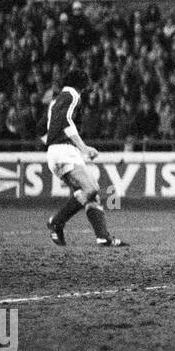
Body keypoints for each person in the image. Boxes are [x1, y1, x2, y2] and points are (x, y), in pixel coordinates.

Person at [44, 69, 128, 248]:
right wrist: (84, 148)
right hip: (65, 150)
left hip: (55, 152)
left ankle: (103, 237)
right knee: (91, 188)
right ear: (82, 84)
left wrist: (51, 145)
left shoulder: (55, 100)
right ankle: (56, 221)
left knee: (91, 196)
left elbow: (41, 128)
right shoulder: (72, 95)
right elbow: (66, 121)